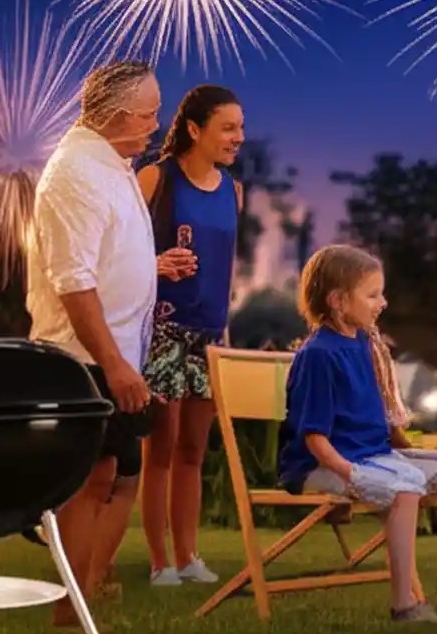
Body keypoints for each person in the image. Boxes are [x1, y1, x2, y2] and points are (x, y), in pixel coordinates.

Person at [278, 245, 437, 624]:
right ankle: (404, 603)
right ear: (339, 301)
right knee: (404, 488)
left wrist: (414, 455)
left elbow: (383, 425)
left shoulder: (365, 344)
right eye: (373, 295)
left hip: (376, 455)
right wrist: (352, 474)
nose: (383, 302)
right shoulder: (319, 356)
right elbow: (314, 439)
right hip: (324, 465)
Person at [27, 60, 161, 627]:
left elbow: (104, 259)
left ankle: (78, 606)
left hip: (113, 351)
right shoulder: (76, 174)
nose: (156, 124)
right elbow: (73, 282)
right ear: (115, 116)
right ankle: (69, 613)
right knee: (84, 484)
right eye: (149, 114)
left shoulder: (110, 163)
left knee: (105, 477)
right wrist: (114, 365)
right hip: (81, 356)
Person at [137, 85, 243, 586]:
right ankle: (159, 562)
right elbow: (119, 258)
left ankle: (188, 556)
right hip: (161, 331)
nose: (238, 137)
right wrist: (154, 264)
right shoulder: (156, 179)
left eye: (241, 128)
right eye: (228, 127)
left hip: (209, 335)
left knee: (194, 452)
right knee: (160, 448)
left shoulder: (233, 190)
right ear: (195, 129)